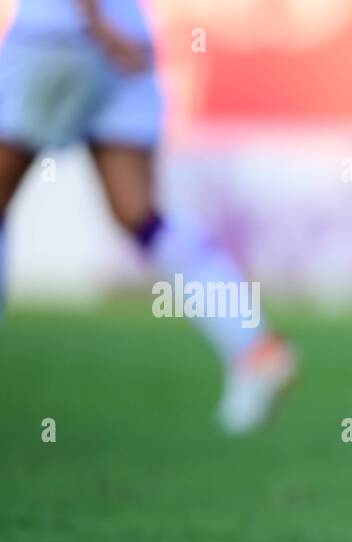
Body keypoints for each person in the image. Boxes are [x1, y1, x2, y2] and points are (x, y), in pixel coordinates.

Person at [0, 0, 296, 433]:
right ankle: (254, 347)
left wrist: (96, 23)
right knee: (141, 216)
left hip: (60, 33)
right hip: (128, 40)